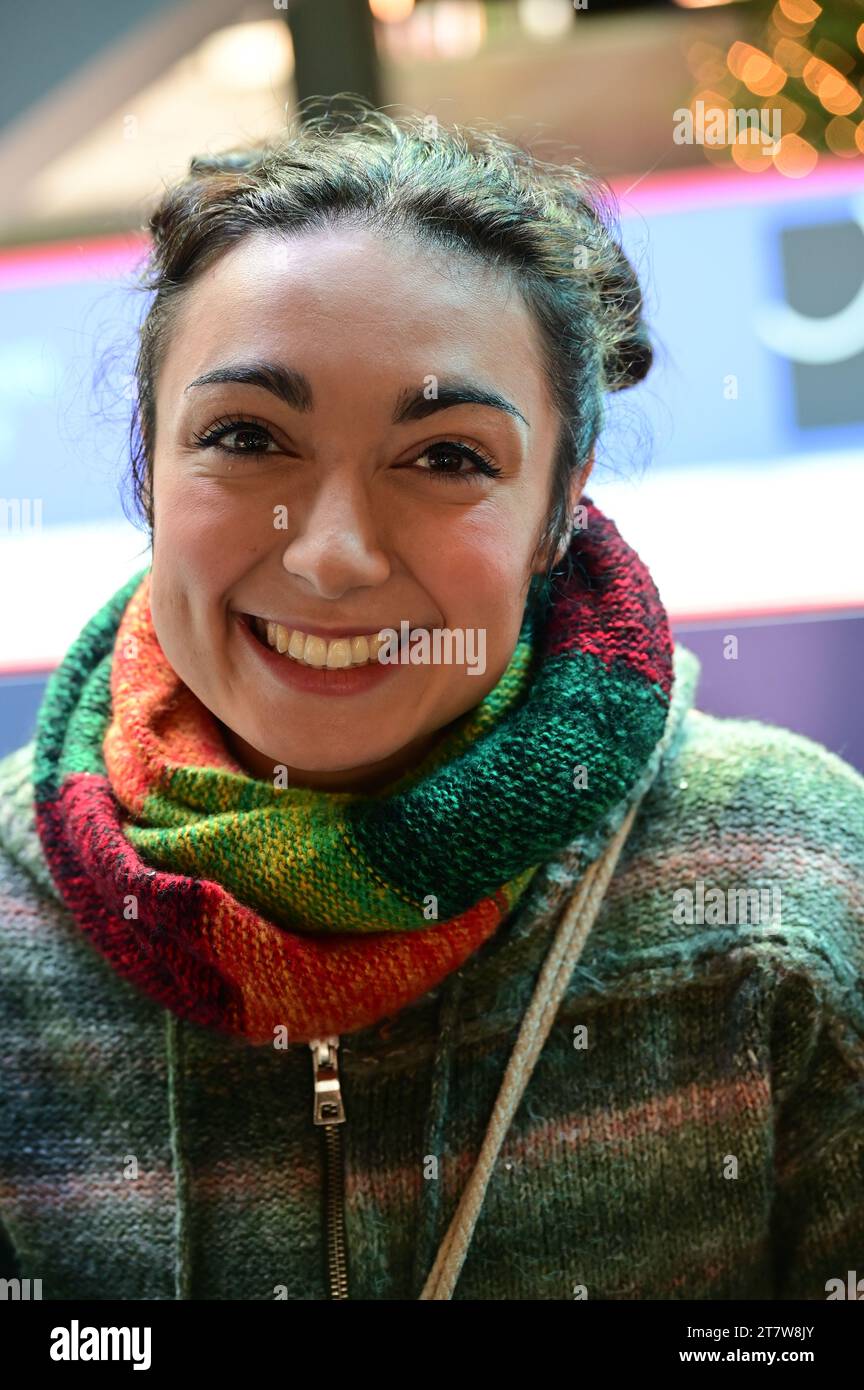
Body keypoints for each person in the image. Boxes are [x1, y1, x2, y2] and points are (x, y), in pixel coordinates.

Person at [0, 97, 862, 1302]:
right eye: (248, 436)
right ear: (149, 462)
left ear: (561, 507)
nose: (335, 554)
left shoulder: (793, 888)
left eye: (449, 457)